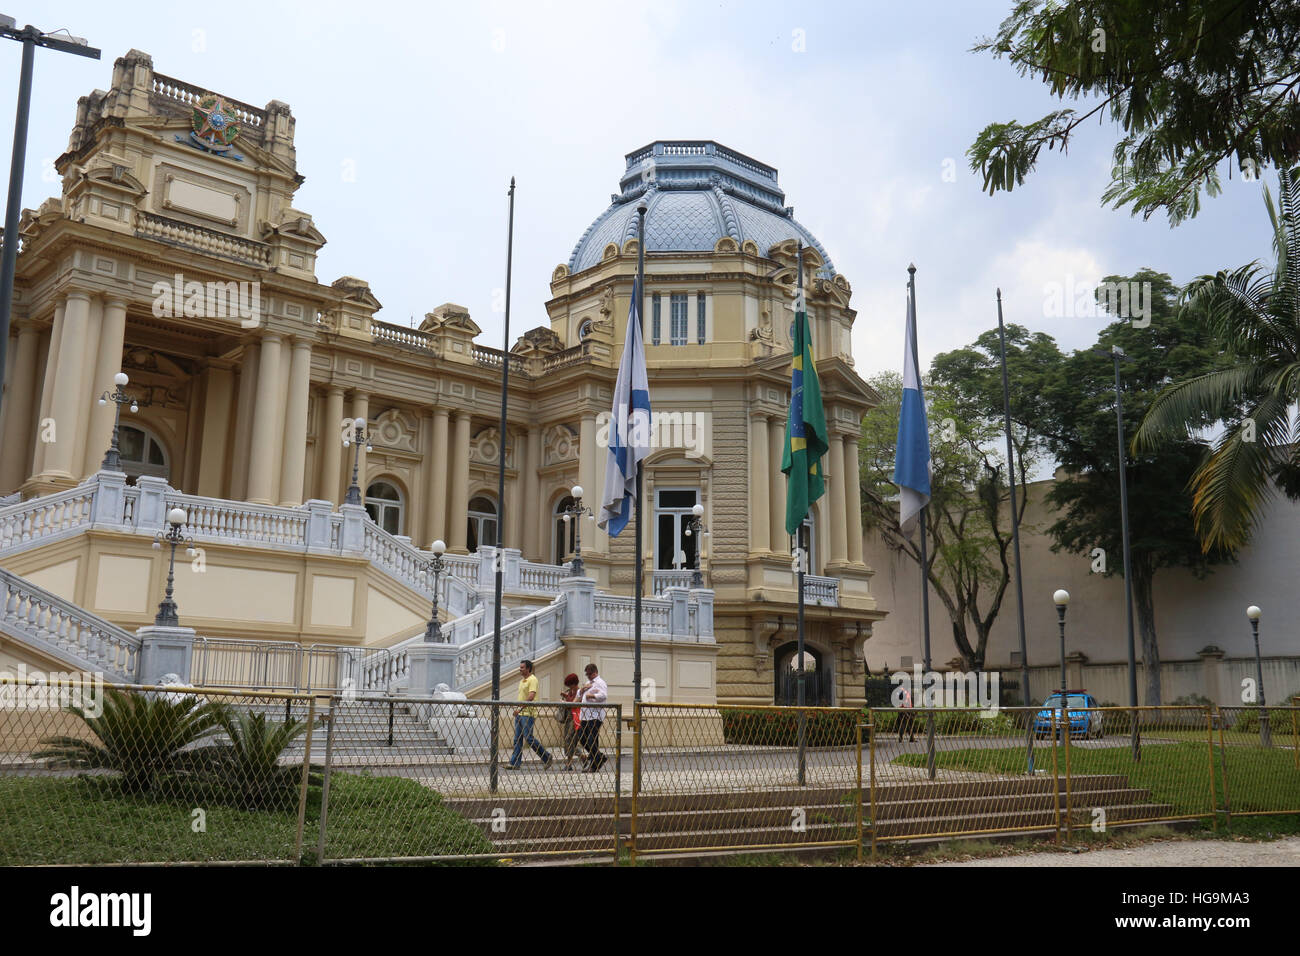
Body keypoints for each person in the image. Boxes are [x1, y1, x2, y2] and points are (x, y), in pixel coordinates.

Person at [507, 659, 552, 770]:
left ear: (528, 668)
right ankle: (514, 763)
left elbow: (531, 696)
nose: (520, 669)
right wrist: (518, 710)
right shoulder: (522, 681)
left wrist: (519, 709)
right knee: (517, 739)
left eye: (522, 667)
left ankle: (546, 757)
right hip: (520, 713)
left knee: (528, 738)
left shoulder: (533, 680)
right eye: (520, 667)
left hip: (528, 713)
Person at [576, 663, 608, 772]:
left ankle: (595, 764)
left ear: (595, 672)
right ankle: (599, 757)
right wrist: (582, 689)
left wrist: (593, 695)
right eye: (587, 674)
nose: (588, 676)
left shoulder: (600, 683)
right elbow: (579, 695)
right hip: (585, 716)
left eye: (590, 674)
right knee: (582, 737)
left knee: (592, 739)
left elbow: (604, 695)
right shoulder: (588, 683)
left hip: (595, 715)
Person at [557, 673, 585, 770]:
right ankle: (579, 759)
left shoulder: (579, 692)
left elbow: (574, 703)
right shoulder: (571, 691)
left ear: (573, 683)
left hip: (575, 718)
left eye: (570, 685)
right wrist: (565, 696)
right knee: (567, 739)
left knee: (570, 739)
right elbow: (571, 700)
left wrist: (565, 702)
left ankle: (574, 761)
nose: (569, 687)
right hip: (568, 717)